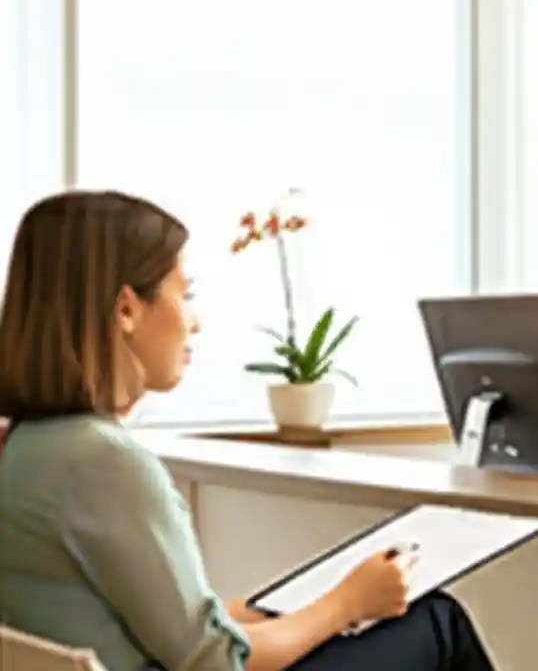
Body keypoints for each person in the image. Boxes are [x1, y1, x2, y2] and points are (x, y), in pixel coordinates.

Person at [0, 191, 496, 671]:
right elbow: (216, 662)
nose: (195, 321)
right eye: (185, 294)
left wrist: (280, 608)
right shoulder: (104, 463)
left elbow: (166, 630)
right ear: (126, 309)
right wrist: (346, 604)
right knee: (437, 622)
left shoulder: (24, 449)